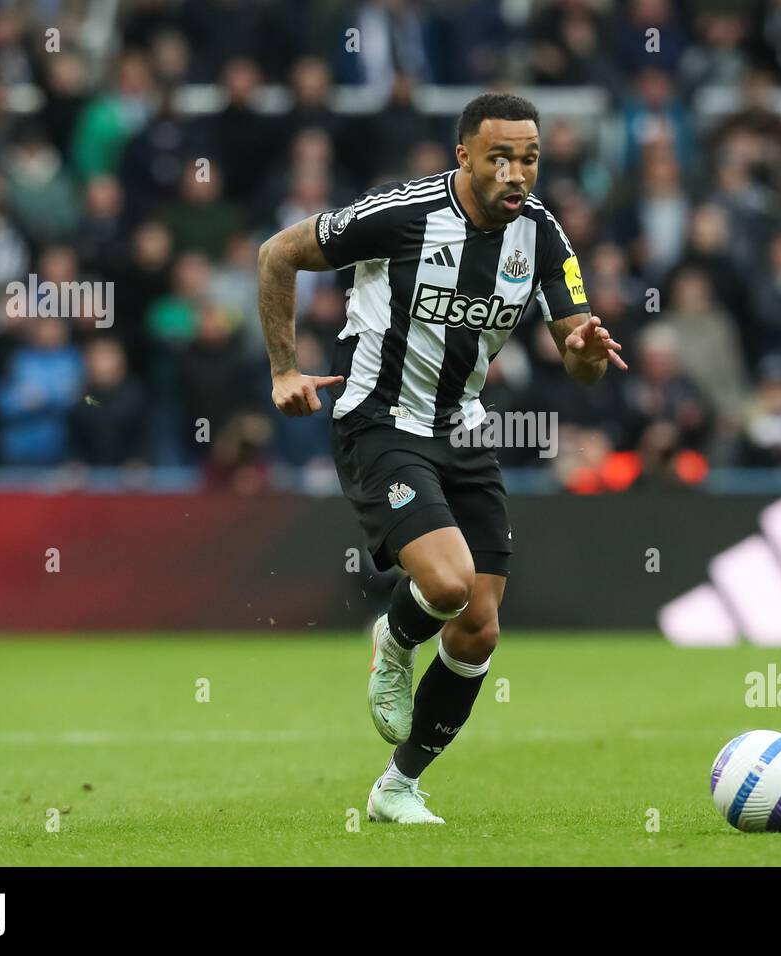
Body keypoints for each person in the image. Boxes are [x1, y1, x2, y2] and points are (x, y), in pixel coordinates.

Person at [256, 93, 627, 824]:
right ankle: (393, 640)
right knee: (450, 584)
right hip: (380, 423)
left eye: (529, 158)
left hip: (463, 431)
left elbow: (582, 357)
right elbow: (278, 255)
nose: (516, 172)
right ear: (464, 156)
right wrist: (281, 370)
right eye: (499, 156)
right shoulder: (400, 213)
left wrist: (584, 355)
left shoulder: (544, 236)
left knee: (480, 624)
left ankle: (398, 786)